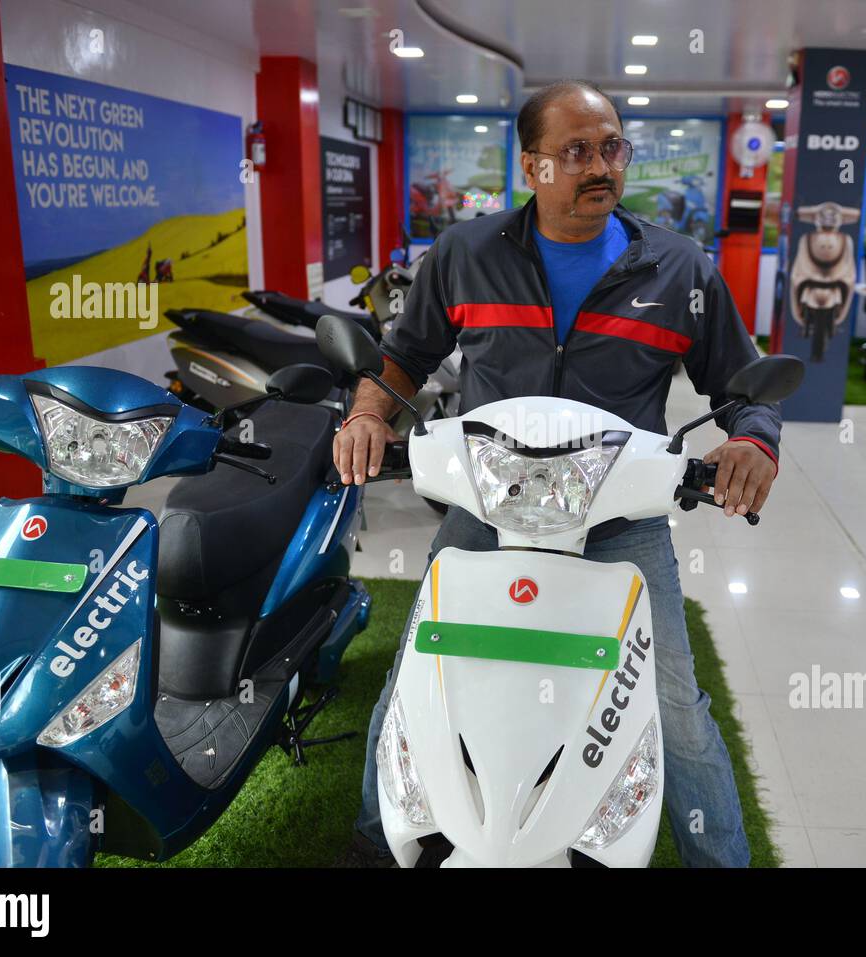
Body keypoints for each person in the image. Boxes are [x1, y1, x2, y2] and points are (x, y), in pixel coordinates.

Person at [335, 79, 782, 867]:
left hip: (620, 519)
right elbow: (403, 360)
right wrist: (369, 415)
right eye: (575, 151)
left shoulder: (680, 269)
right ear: (532, 166)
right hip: (485, 507)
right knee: (416, 685)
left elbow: (742, 387)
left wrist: (754, 441)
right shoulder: (465, 255)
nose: (599, 165)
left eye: (611, 147)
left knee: (674, 703)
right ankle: (380, 847)